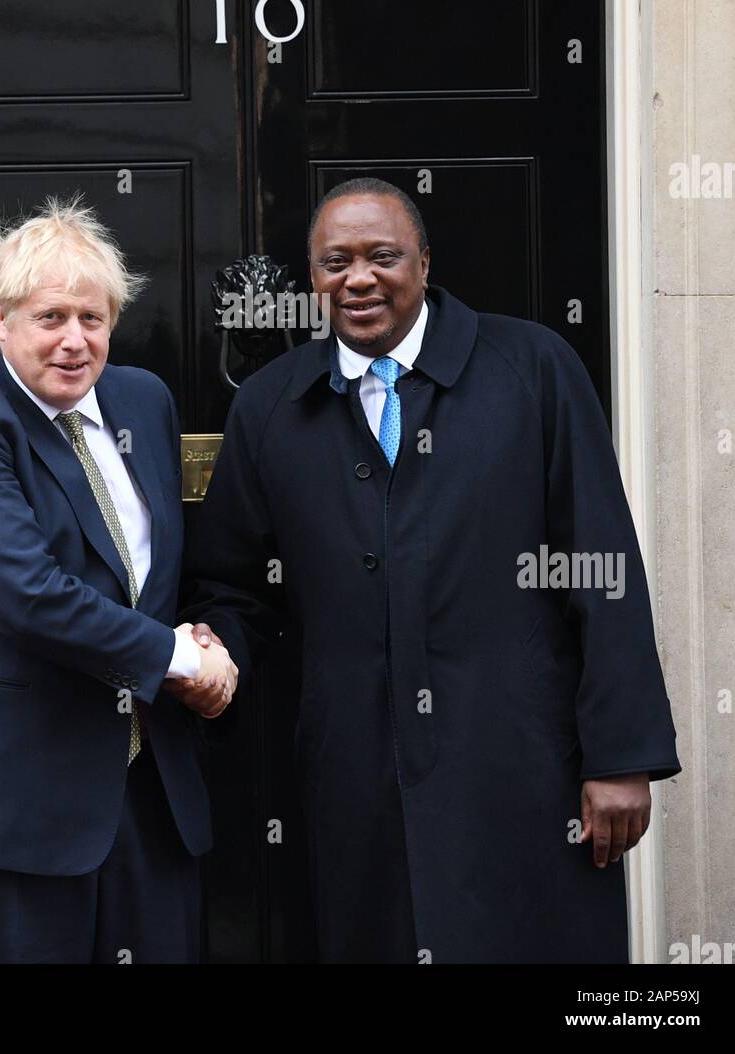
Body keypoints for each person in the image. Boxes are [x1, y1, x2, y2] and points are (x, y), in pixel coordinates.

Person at [180, 177, 681, 964]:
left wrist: (621, 755)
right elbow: (229, 582)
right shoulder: (271, 404)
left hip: (519, 763)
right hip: (349, 773)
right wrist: (212, 658)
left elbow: (601, 564)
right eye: (334, 261)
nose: (359, 278)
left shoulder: (533, 367)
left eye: (382, 256)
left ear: (422, 262)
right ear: (312, 278)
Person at [0, 198, 236, 963]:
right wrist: (180, 661)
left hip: (150, 803)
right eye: (51, 317)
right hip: (13, 815)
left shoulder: (143, 402)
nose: (76, 341)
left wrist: (207, 634)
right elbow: (28, 594)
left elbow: (157, 581)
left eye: (94, 318)